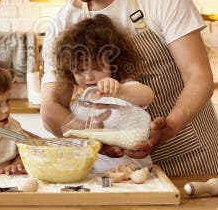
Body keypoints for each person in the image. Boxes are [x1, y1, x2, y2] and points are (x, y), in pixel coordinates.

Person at [22, 0, 218, 176]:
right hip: (116, 169)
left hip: (189, 153)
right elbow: (51, 107)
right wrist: (94, 137)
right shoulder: (64, 23)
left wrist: (167, 128)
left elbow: (199, 77)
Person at [52, 14, 154, 173]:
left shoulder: (125, 89)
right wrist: (93, 129)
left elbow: (148, 95)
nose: (88, 77)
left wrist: (119, 91)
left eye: (97, 68)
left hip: (134, 173)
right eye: (80, 70)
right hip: (95, 176)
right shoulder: (79, 103)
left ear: (114, 63)